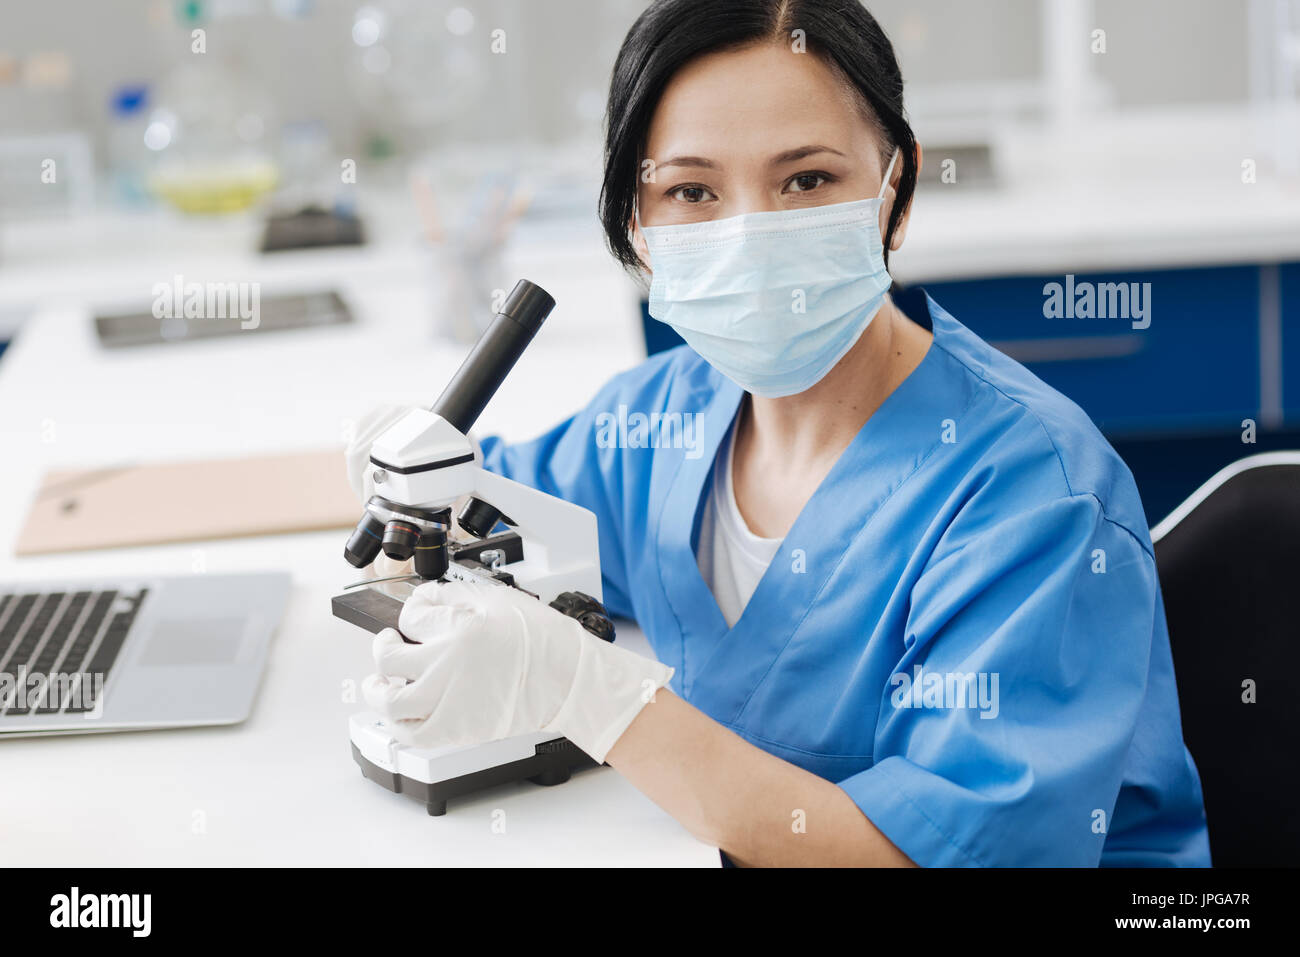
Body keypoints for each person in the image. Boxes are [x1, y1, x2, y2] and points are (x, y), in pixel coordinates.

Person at [349, 0, 1211, 867]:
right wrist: (406, 481)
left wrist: (591, 694)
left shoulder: (1033, 493)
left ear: (896, 189)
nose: (750, 235)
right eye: (692, 191)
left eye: (806, 180)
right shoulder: (656, 421)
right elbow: (482, 509)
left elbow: (935, 857)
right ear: (638, 227)